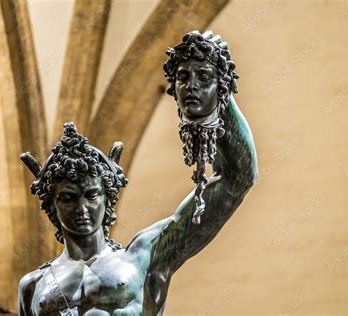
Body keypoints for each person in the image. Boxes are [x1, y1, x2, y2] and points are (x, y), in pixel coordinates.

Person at [18, 31, 258, 316]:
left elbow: (237, 178)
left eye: (92, 194)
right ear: (52, 205)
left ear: (109, 198)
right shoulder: (33, 285)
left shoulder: (145, 255)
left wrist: (219, 96)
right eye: (68, 198)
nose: (81, 208)